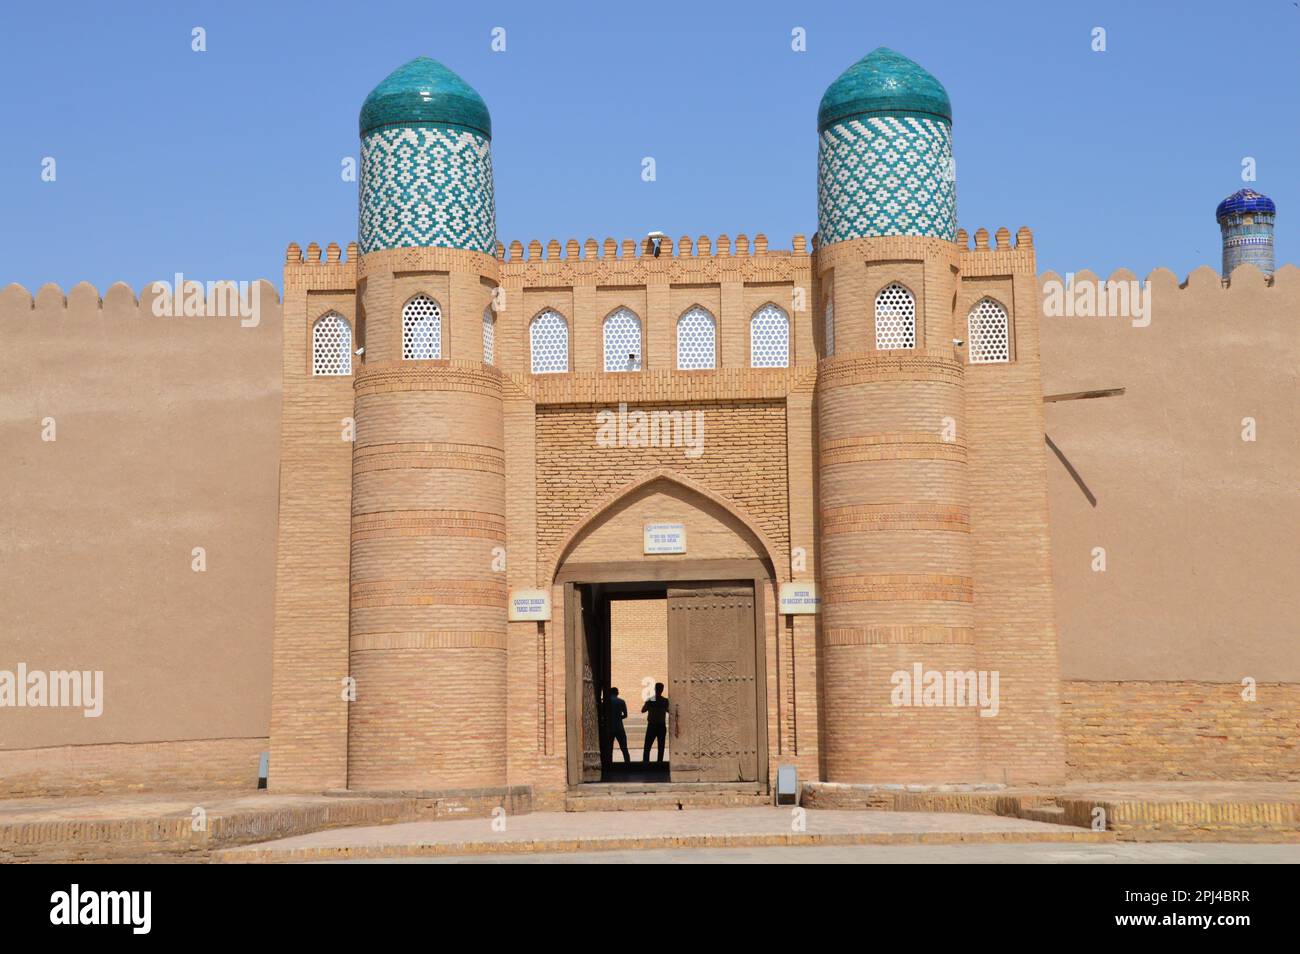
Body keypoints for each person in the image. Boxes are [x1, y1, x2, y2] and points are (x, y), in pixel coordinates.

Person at [642, 682, 669, 764]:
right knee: (661, 746)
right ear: (662, 690)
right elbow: (669, 711)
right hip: (661, 725)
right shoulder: (665, 701)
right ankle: (659, 762)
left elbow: (643, 710)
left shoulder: (650, 700)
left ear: (655, 689)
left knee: (647, 745)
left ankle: (646, 762)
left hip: (652, 725)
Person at [605, 687, 630, 763]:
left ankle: (609, 764)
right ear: (617, 693)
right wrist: (618, 717)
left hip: (609, 728)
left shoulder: (606, 702)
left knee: (609, 749)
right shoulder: (621, 701)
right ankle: (627, 763)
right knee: (624, 748)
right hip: (619, 727)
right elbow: (625, 715)